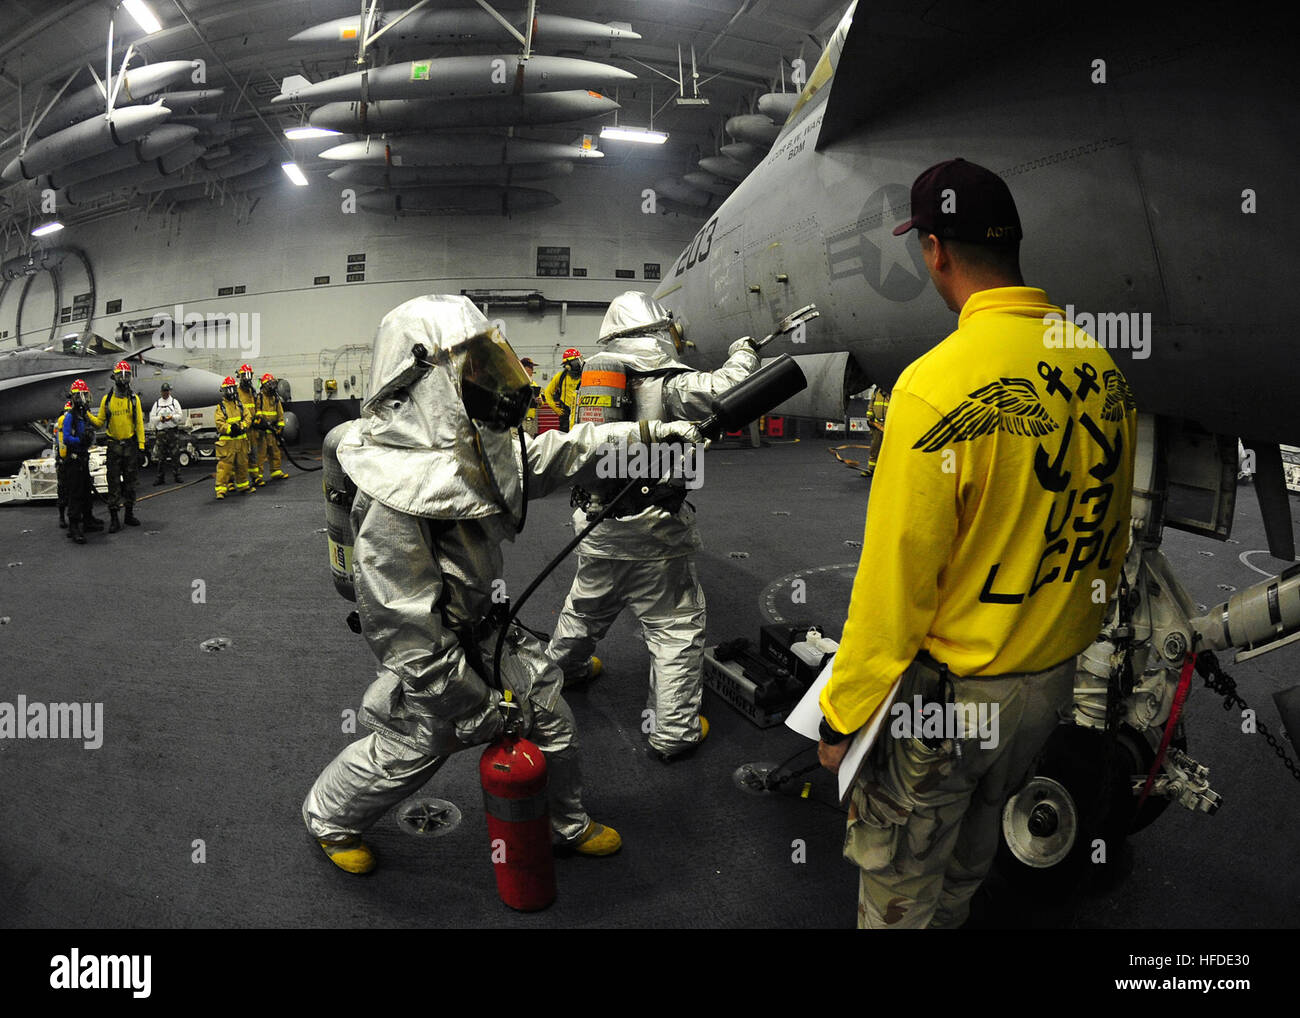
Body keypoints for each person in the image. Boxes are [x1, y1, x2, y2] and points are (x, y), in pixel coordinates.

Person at [816, 158, 1138, 928]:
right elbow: (1110, 533)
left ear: (935, 250)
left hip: (953, 702)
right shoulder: (1102, 370)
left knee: (900, 886)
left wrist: (842, 717)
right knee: (967, 866)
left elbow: (896, 587)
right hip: (1046, 686)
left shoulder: (933, 386)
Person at [302, 294, 700, 874]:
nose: (496, 379)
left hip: (491, 630)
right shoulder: (390, 493)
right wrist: (472, 704)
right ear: (427, 380)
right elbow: (402, 625)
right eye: (476, 366)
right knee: (411, 749)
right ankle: (329, 819)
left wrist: (652, 433)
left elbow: (562, 451)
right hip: (436, 657)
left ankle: (565, 825)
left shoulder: (475, 446)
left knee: (553, 720)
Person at [545, 292, 759, 762]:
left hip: (598, 523)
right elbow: (727, 388)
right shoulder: (670, 383)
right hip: (656, 531)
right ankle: (673, 731)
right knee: (675, 626)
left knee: (585, 606)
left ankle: (561, 673)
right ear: (658, 329)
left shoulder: (597, 378)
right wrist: (745, 350)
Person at [87, 360, 145, 532]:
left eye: (127, 375)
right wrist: (86, 414)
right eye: (121, 375)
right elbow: (99, 423)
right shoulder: (107, 400)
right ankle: (114, 519)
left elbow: (140, 424)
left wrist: (141, 447)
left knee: (130, 483)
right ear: (115, 377)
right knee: (113, 484)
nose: (124, 379)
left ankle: (128, 515)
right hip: (114, 447)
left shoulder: (134, 400)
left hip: (130, 447)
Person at [61, 380, 99, 545]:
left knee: (86, 491)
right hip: (74, 461)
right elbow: (67, 438)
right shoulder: (70, 416)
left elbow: (90, 430)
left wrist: (88, 438)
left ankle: (88, 519)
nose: (84, 398)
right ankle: (74, 526)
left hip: (83, 458)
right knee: (75, 494)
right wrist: (80, 441)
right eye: (82, 395)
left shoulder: (83, 415)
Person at [213, 376, 254, 499]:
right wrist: (231, 429)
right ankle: (221, 490)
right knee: (224, 468)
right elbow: (219, 423)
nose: (231, 392)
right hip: (228, 443)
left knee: (242, 465)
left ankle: (243, 486)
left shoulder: (240, 405)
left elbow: (248, 417)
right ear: (224, 391)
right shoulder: (221, 407)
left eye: (232, 389)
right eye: (228, 390)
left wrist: (242, 426)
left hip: (241, 441)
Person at [251, 373, 288, 481]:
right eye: (270, 384)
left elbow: (280, 414)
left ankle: (276, 471)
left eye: (273, 384)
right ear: (264, 385)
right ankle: (258, 476)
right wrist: (261, 421)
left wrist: (280, 427)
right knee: (261, 454)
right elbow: (257, 411)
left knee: (275, 452)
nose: (272, 387)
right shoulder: (260, 397)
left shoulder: (275, 398)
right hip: (263, 432)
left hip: (273, 431)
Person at [149, 382, 185, 485]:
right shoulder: (157, 403)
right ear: (161, 392)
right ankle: (160, 478)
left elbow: (180, 415)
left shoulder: (174, 402)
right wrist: (160, 419)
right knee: (161, 457)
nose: (166, 393)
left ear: (169, 391)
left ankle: (177, 476)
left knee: (175, 455)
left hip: (172, 432)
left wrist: (172, 417)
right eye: (164, 391)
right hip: (161, 433)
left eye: (167, 391)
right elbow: (152, 418)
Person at [542, 348, 583, 431]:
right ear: (568, 365)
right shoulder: (561, 376)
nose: (578, 363)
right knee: (565, 437)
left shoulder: (585, 375)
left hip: (581, 411)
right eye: (575, 361)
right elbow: (548, 392)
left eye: (578, 360)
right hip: (565, 412)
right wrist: (555, 408)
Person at [235, 363, 262, 486]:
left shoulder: (252, 391)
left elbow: (257, 405)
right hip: (242, 429)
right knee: (241, 456)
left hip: (252, 429)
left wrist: (258, 416)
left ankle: (255, 477)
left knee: (253, 454)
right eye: (244, 375)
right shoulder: (236, 391)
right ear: (240, 376)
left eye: (249, 375)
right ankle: (236, 481)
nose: (247, 378)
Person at [54, 399, 72, 529]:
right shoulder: (65, 422)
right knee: (66, 491)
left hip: (63, 460)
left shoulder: (60, 422)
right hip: (65, 460)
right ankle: (63, 517)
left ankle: (63, 518)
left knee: (64, 491)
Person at [519, 357, 540, 437]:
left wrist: (539, 401)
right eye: (530, 367)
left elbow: (541, 402)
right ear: (523, 368)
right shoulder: (515, 383)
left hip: (531, 421)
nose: (532, 370)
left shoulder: (535, 385)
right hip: (519, 421)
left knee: (530, 443)